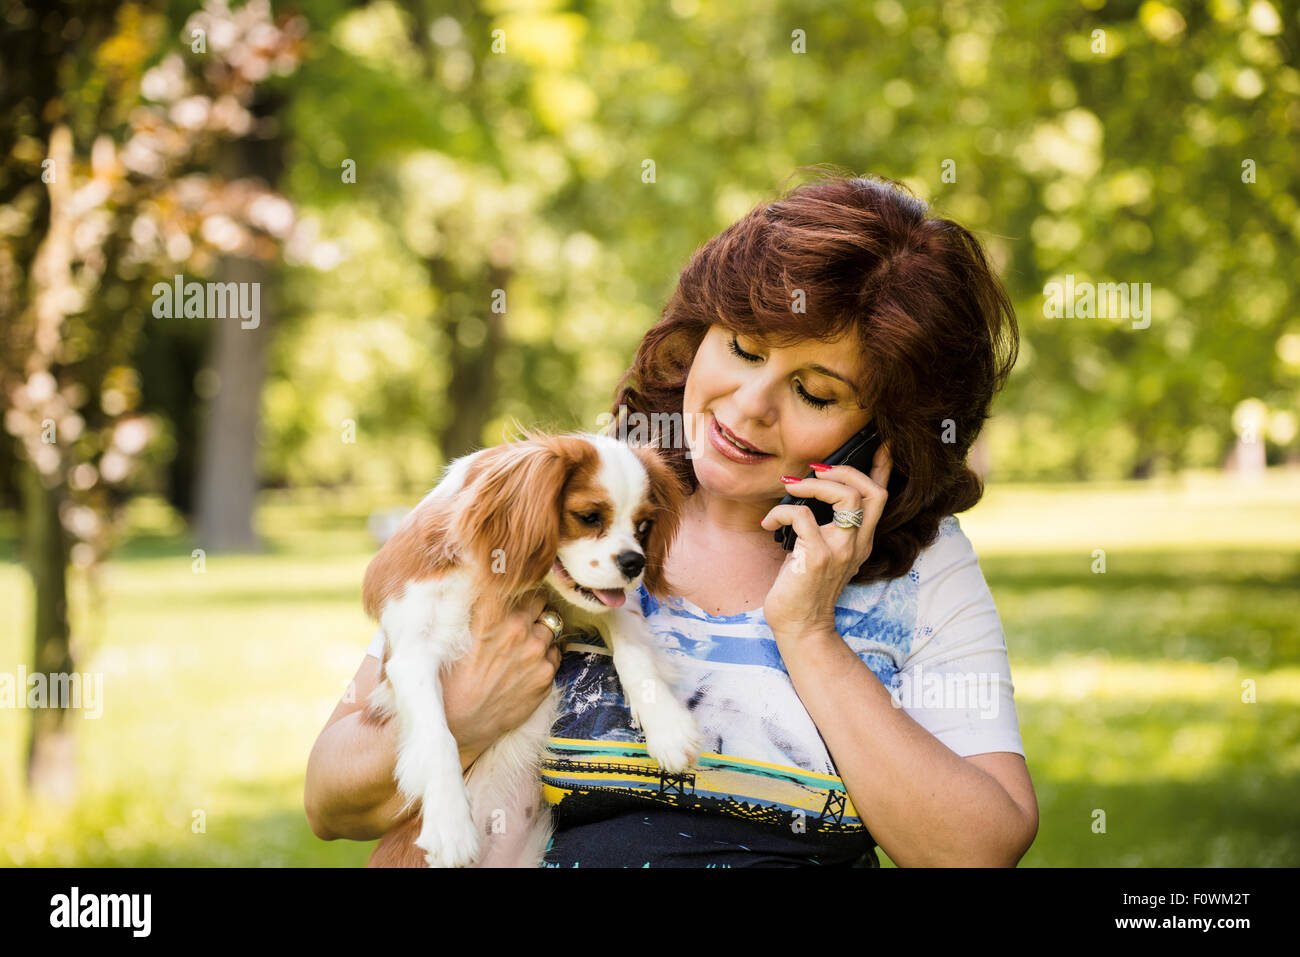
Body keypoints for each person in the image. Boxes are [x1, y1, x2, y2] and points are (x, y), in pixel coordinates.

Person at [304, 171, 1037, 867]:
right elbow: (330, 797)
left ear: (885, 433)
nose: (749, 404)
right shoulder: (568, 499)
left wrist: (811, 635)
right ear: (700, 332)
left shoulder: (919, 567)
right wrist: (463, 720)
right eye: (743, 348)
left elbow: (979, 849)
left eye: (813, 392)